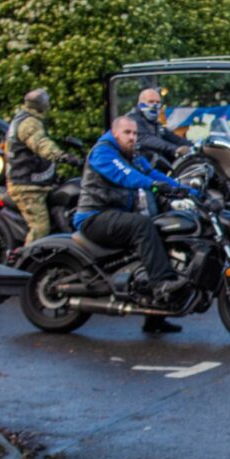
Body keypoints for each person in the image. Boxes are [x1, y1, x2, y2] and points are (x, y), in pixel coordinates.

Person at [73, 115, 189, 314]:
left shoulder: (132, 154)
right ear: (114, 132)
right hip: (94, 216)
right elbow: (127, 175)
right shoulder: (103, 152)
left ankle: (157, 314)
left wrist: (185, 189)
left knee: (162, 228)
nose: (132, 137)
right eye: (127, 132)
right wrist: (153, 186)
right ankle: (161, 282)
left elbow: (152, 173)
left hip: (115, 215)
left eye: (135, 133)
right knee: (142, 225)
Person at [4, 88, 81, 243]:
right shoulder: (29, 123)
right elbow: (41, 144)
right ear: (41, 105)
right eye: (46, 102)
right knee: (40, 228)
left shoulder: (31, 119)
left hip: (37, 183)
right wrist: (62, 156)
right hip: (27, 186)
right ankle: (26, 262)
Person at [132, 87, 189, 166]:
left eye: (158, 102)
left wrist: (194, 146)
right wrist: (175, 149)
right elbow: (147, 139)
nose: (155, 105)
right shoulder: (132, 120)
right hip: (139, 164)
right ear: (140, 104)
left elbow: (172, 137)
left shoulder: (155, 122)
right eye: (151, 102)